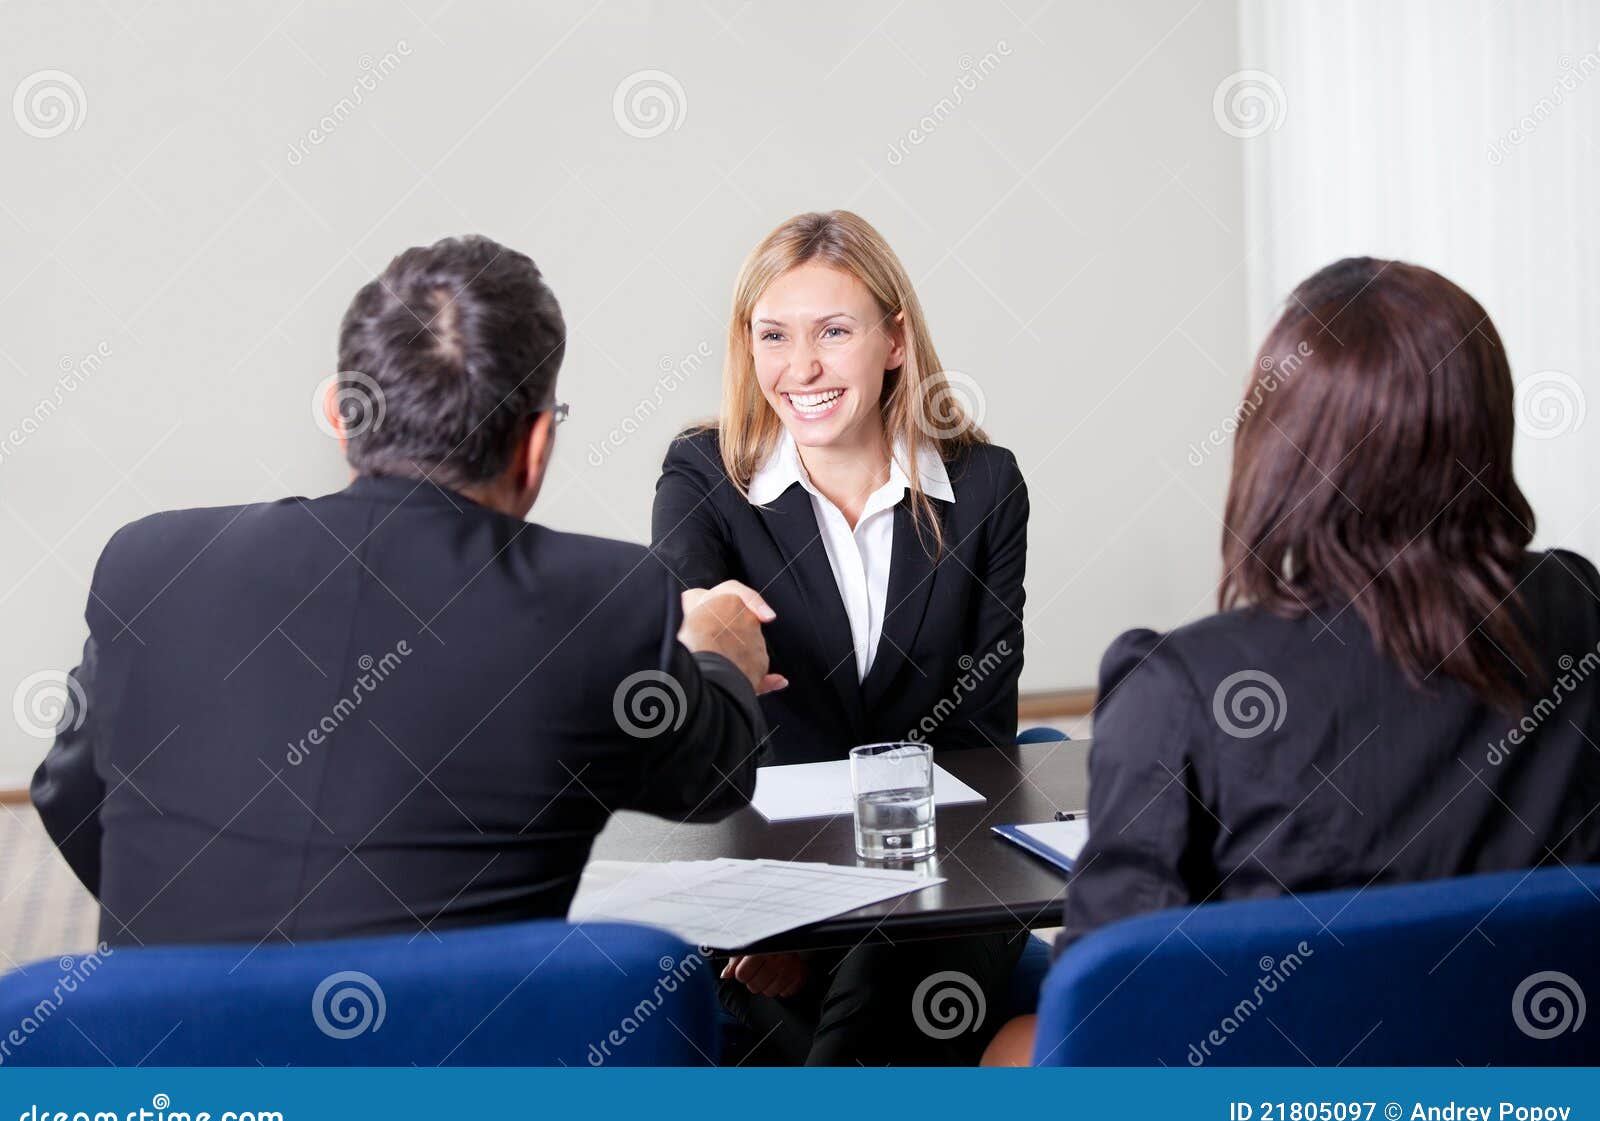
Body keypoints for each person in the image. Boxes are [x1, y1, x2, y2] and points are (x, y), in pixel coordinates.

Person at [31, 234, 778, 948]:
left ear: (339, 412)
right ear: (536, 443)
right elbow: (708, 782)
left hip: (167, 1067)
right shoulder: (601, 598)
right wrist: (717, 656)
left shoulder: (151, 565)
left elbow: (66, 793)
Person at [984, 257, 1600, 1064]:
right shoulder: (1578, 612)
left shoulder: (1178, 688)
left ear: (1278, 445)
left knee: (1009, 1040)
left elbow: (1115, 1015)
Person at [652, 210, 1030, 1065]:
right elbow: (690, 681)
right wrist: (776, 913)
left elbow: (980, 742)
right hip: (768, 886)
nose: (802, 368)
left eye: (834, 332)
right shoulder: (705, 477)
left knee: (867, 994)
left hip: (941, 887)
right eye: (774, 335)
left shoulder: (986, 487)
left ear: (895, 341)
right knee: (828, 1021)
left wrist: (829, 929)